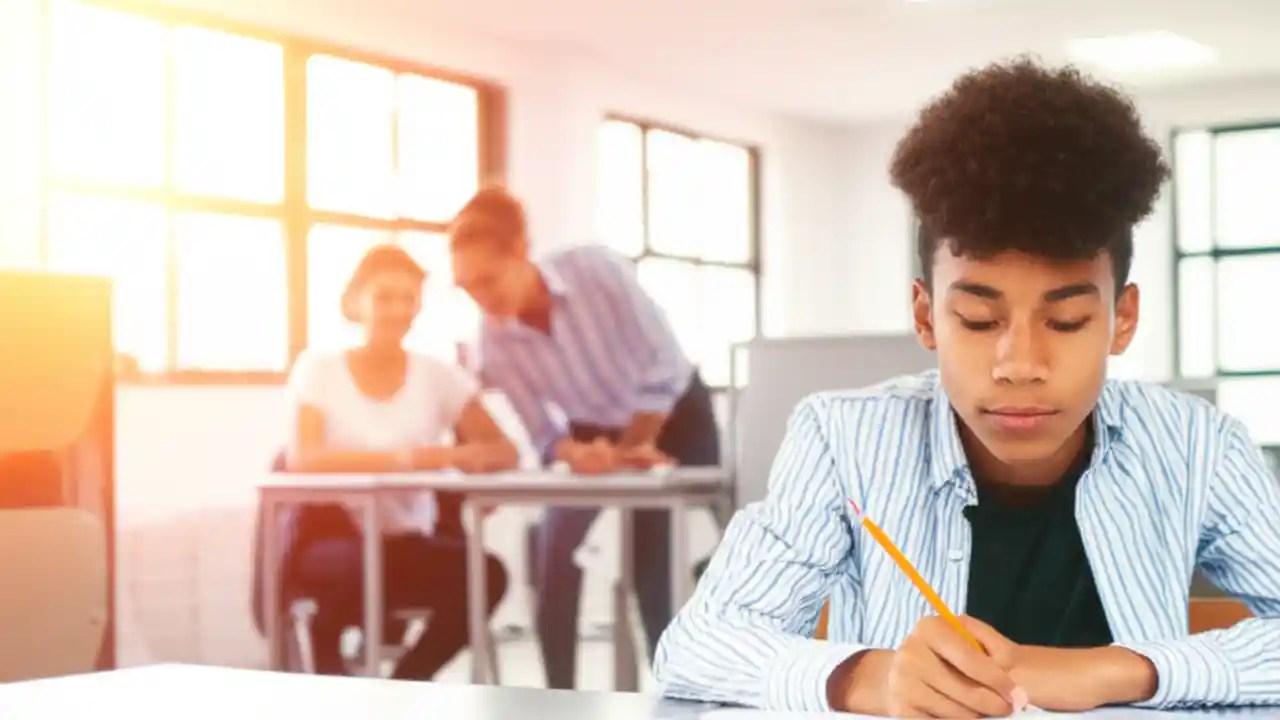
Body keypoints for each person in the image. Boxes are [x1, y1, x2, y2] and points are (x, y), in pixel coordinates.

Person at [653, 58, 1280, 716]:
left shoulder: (1196, 445)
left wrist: (1117, 671)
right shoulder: (843, 439)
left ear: (1122, 320)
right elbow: (699, 644)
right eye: (979, 320)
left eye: (1065, 321)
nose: (1020, 363)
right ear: (926, 317)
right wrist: (870, 677)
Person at [448, 187, 721, 690]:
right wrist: (577, 453)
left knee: (656, 565)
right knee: (552, 556)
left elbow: (664, 362)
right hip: (597, 434)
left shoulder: (597, 270)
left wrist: (635, 445)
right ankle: (558, 699)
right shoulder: (494, 341)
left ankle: (679, 695)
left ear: (521, 251)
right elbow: (543, 434)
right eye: (466, 288)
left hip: (675, 414)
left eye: (487, 280)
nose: (481, 299)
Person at [282, 244, 519, 679]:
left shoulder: (436, 374)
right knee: (359, 567)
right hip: (330, 538)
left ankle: (407, 686)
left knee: (489, 574)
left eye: (408, 299)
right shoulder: (319, 369)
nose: (397, 310)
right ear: (357, 302)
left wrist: (474, 465)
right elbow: (305, 459)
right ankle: (334, 688)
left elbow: (505, 451)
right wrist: (417, 458)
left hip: (405, 543)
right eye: (384, 297)